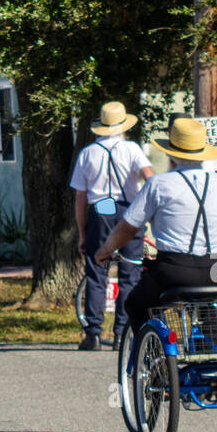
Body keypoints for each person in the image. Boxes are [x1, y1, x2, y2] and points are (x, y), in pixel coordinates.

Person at [95, 116, 217, 337]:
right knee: (206, 305)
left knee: (136, 305)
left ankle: (154, 362)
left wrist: (105, 250)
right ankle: (210, 363)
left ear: (171, 154)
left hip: (175, 270)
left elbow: (129, 228)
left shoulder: (158, 184)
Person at [70, 101, 155, 350]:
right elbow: (150, 177)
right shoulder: (131, 149)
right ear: (122, 126)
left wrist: (82, 232)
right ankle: (121, 332)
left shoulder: (87, 153)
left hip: (101, 209)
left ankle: (93, 333)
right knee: (130, 274)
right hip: (128, 210)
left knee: (97, 273)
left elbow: (80, 197)